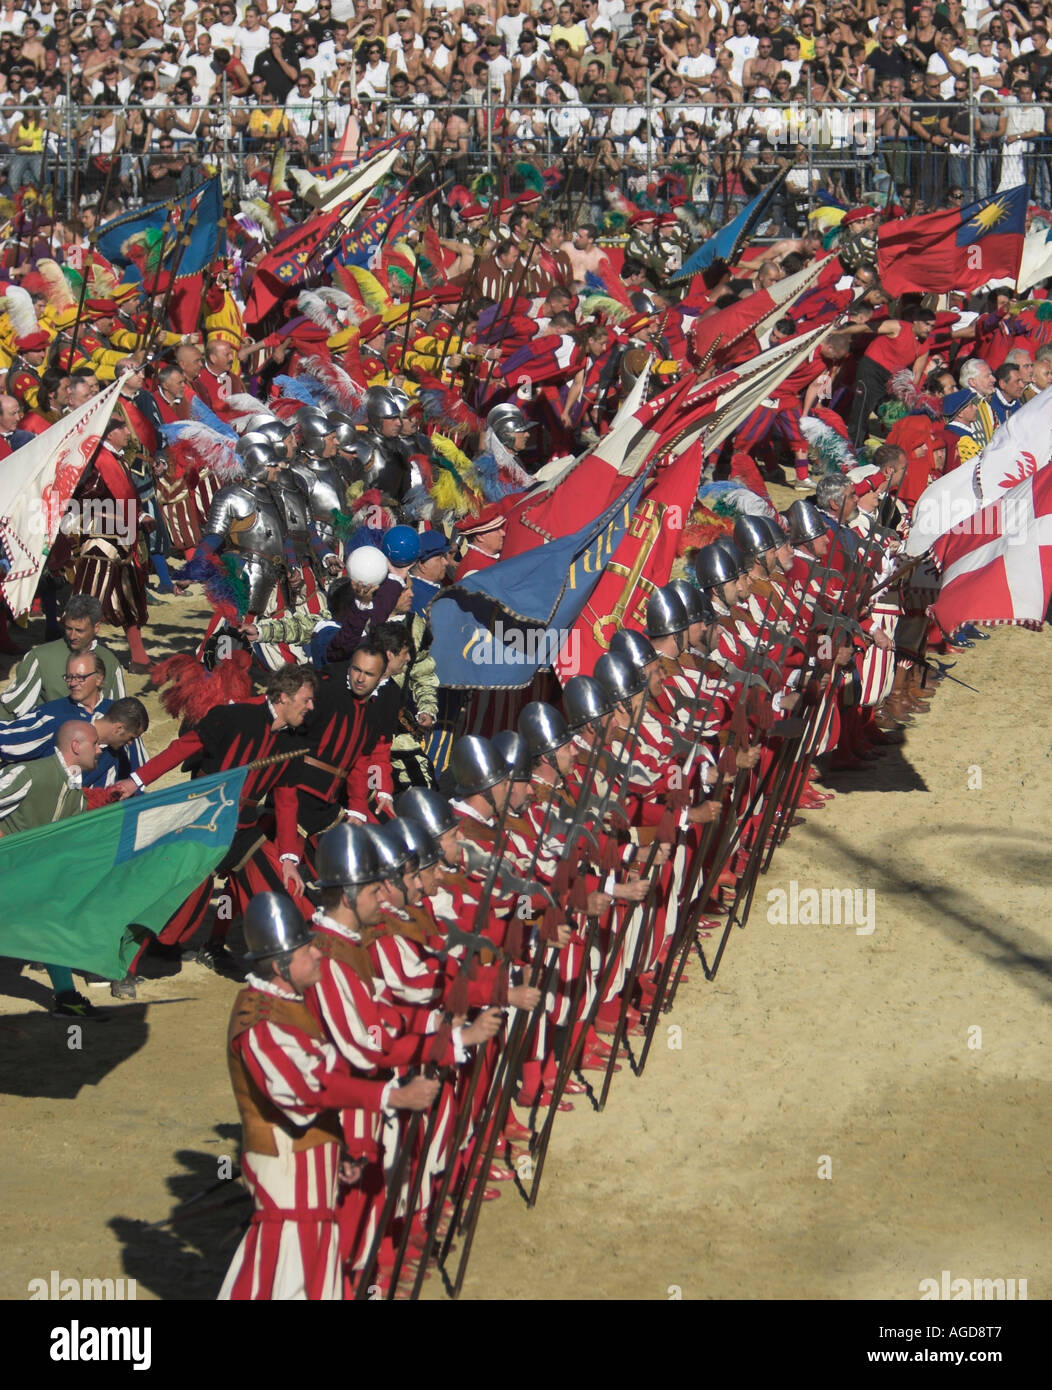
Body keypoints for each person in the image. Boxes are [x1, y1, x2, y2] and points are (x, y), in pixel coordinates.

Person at [218, 890, 438, 1301]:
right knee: (278, 1278)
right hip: (286, 1186)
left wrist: (339, 1150)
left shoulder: (289, 1003)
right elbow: (312, 1086)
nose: (318, 954)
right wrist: (388, 1096)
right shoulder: (260, 1023)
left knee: (314, 1278)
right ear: (282, 965)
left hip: (310, 1179)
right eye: (305, 951)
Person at [0, 719, 102, 1017]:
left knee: (54, 919)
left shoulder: (76, 795)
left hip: (32, 878)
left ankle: (66, 996)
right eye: (95, 744)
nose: (99, 749)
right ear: (76, 746)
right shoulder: (29, 773)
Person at [0, 595, 127, 719]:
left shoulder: (111, 662)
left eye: (79, 630)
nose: (72, 636)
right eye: (68, 629)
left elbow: (120, 716)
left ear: (96, 627)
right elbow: (11, 706)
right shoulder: (41, 657)